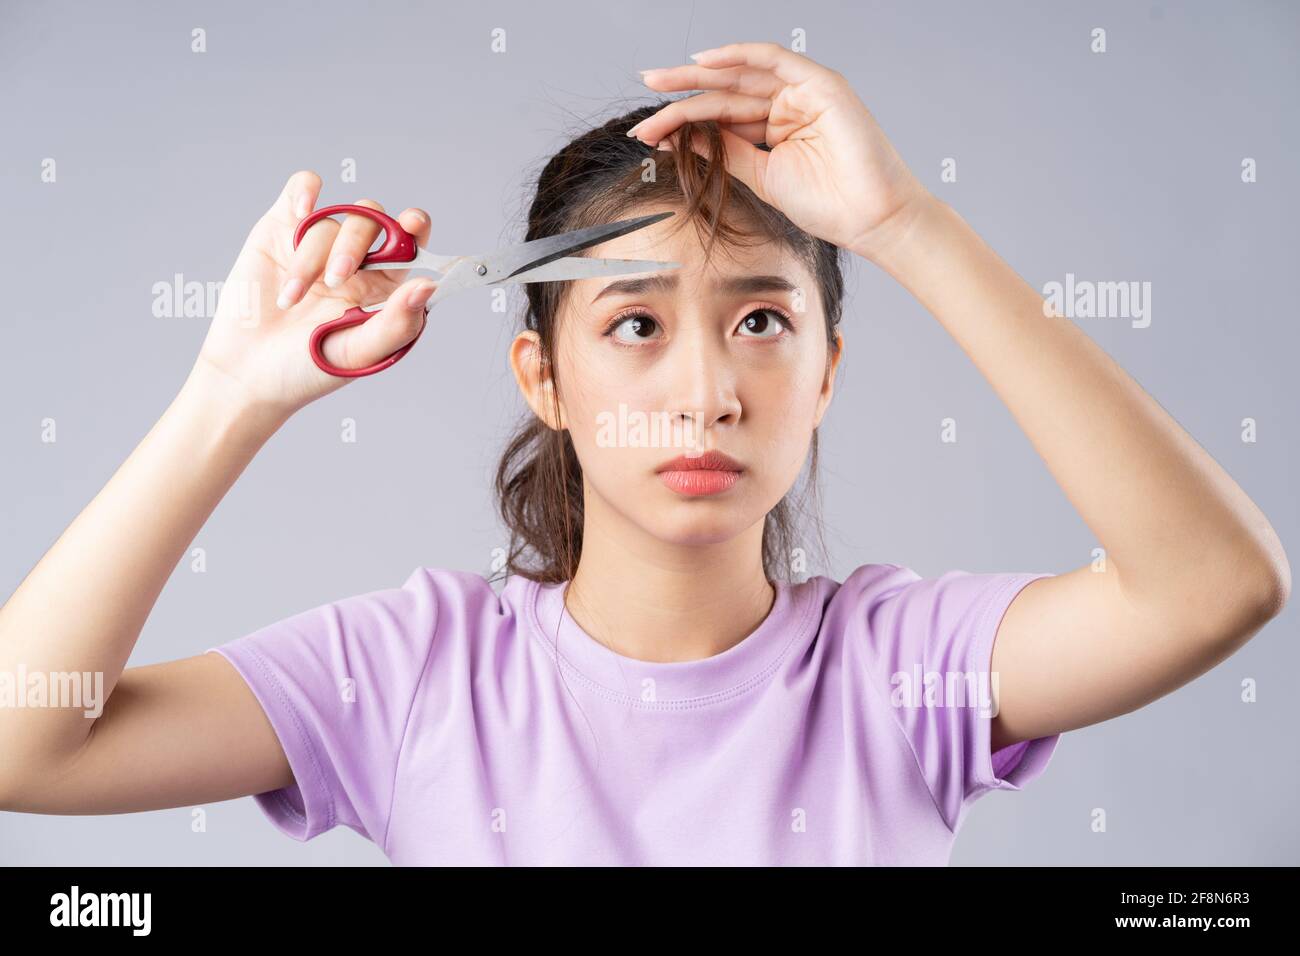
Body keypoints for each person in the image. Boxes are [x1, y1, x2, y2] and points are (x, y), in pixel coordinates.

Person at [0, 42, 1288, 865]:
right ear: (542, 377)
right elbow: (26, 746)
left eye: (764, 321)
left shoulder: (905, 669)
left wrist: (905, 224)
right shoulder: (410, 677)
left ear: (827, 371)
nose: (707, 391)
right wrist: (229, 394)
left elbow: (1214, 587)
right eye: (635, 322)